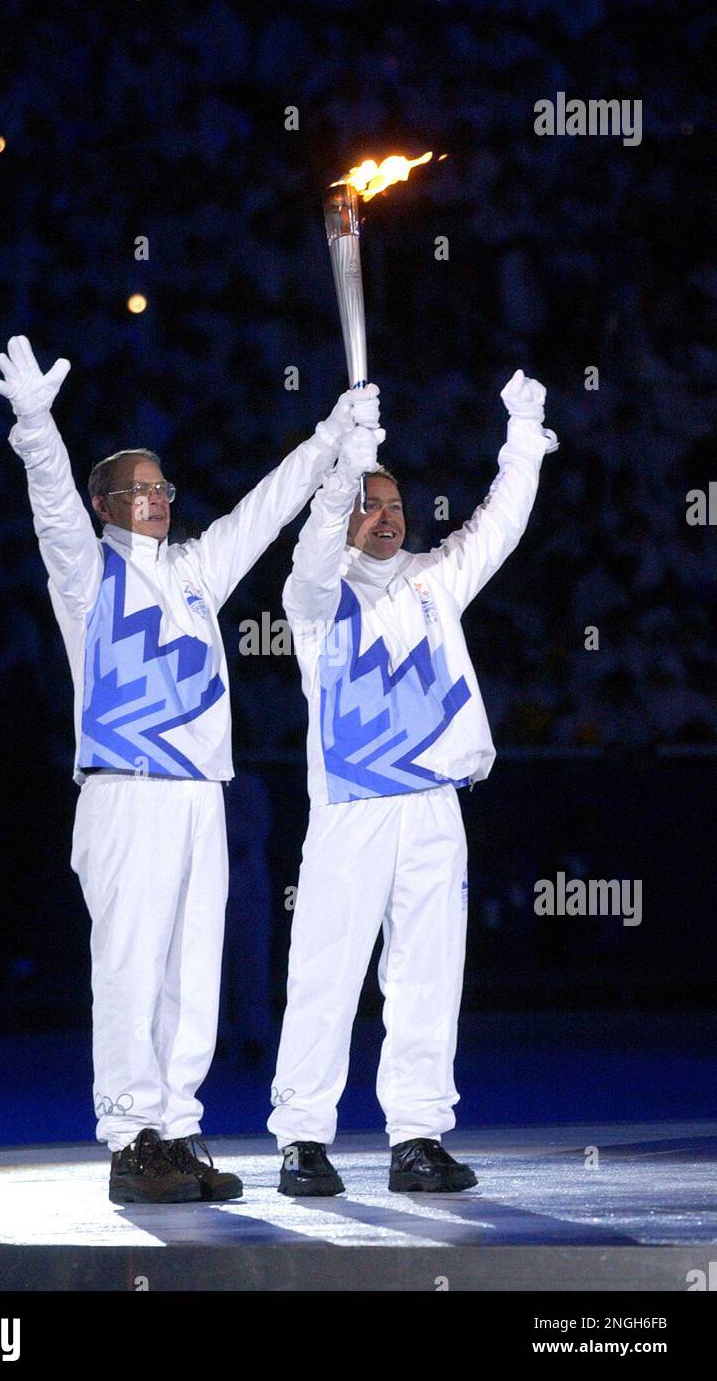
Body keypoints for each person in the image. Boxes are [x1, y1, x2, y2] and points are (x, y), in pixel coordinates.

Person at [0, 334, 379, 1204]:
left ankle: (174, 1124)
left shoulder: (199, 570)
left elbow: (265, 509)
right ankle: (131, 1139)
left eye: (162, 487)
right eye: (137, 490)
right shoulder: (88, 578)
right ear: (106, 505)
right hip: (127, 794)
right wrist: (34, 423)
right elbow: (51, 504)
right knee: (130, 964)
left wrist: (329, 439)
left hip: (203, 796)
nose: (157, 499)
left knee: (193, 967)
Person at [268, 370, 558, 1196]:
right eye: (371, 505)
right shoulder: (314, 602)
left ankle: (418, 1138)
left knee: (429, 975)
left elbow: (501, 524)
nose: (387, 517)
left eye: (395, 505)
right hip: (353, 810)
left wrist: (523, 433)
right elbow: (312, 555)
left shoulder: (437, 579)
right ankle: (301, 1139)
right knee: (326, 972)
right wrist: (343, 467)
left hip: (432, 805)